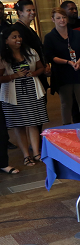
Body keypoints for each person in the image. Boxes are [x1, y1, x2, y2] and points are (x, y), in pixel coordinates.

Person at [1, 27, 47, 168]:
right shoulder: (3, 57)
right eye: (14, 37)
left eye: (19, 36)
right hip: (13, 95)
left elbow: (41, 67)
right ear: (6, 41)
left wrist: (34, 73)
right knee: (19, 125)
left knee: (33, 122)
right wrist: (14, 75)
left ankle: (36, 153)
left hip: (33, 91)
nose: (18, 39)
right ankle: (26, 155)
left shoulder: (30, 52)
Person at [44, 8, 80, 125]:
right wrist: (68, 62)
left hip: (79, 71)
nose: (62, 20)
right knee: (66, 102)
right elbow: (50, 57)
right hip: (62, 73)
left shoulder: (76, 34)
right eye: (58, 18)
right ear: (53, 20)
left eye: (64, 17)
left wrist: (79, 62)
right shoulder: (50, 37)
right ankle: (66, 126)